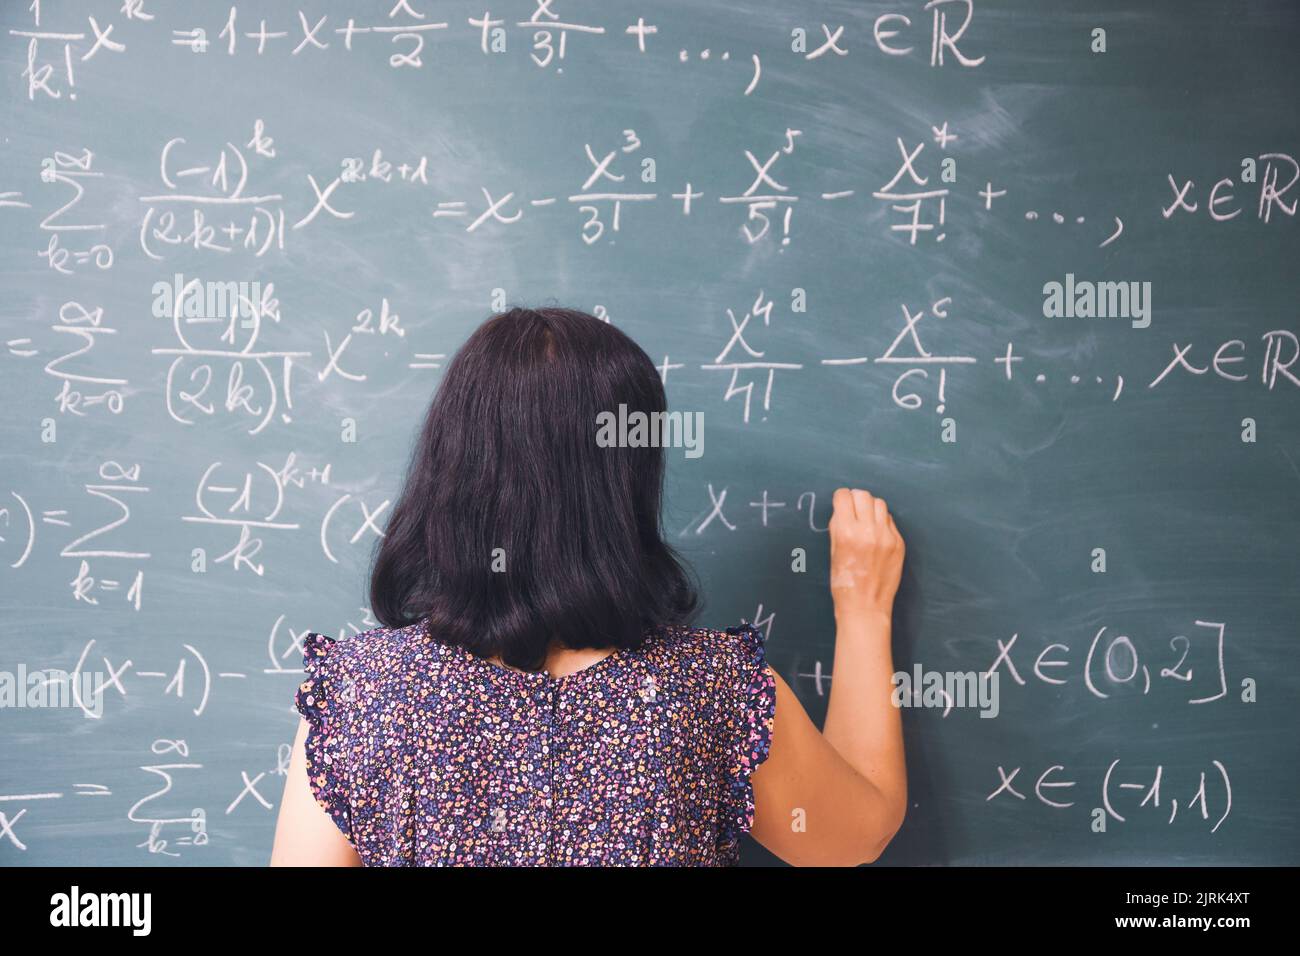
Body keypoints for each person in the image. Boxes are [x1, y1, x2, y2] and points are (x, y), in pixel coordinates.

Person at [270, 306, 907, 866]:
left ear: (450, 463)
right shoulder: (711, 693)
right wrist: (864, 611)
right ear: (624, 482)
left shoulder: (360, 696)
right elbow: (855, 838)